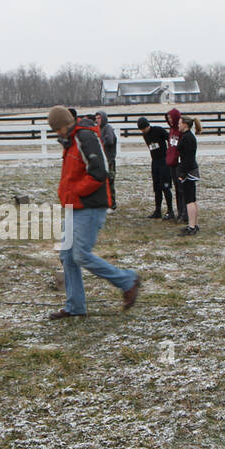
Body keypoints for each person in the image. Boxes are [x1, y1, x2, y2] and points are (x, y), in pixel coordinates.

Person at [46, 106, 140, 319]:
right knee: (67, 256)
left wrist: (75, 192)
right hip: (75, 206)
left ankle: (128, 281)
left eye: (56, 129)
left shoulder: (84, 137)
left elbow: (99, 173)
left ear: (62, 125)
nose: (56, 133)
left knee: (80, 255)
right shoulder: (71, 140)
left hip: (88, 206)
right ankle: (75, 307)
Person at [137, 116, 175, 219]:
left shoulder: (158, 130)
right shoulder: (145, 135)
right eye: (142, 130)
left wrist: (170, 152)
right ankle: (157, 210)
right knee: (157, 187)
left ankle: (170, 210)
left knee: (165, 187)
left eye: (144, 129)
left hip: (164, 161)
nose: (143, 131)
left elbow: (170, 139)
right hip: (155, 162)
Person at [176, 116, 202, 235]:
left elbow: (188, 158)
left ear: (185, 125)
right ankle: (194, 224)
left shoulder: (187, 138)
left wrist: (183, 173)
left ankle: (191, 227)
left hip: (189, 171)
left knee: (189, 200)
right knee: (192, 199)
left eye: (180, 123)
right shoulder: (188, 137)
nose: (178, 125)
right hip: (191, 169)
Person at [95, 111, 118, 212]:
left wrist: (100, 142)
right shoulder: (98, 129)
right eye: (96, 118)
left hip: (109, 159)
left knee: (110, 182)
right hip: (101, 160)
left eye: (99, 118)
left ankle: (112, 204)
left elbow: (110, 141)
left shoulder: (108, 128)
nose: (97, 120)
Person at [165, 107, 185, 221]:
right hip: (171, 163)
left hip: (179, 163)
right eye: (168, 118)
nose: (170, 120)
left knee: (181, 189)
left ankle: (184, 212)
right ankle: (179, 212)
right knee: (177, 188)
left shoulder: (180, 131)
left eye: (171, 118)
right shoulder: (171, 130)